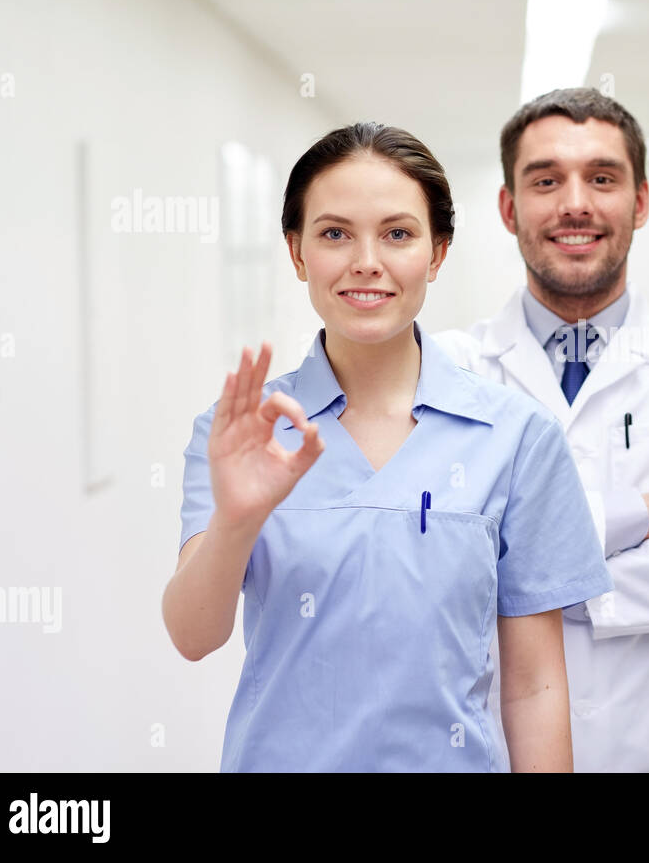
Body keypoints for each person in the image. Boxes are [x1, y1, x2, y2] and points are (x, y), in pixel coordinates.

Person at [162, 122, 612, 772]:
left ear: (437, 253)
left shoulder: (516, 438)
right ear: (296, 253)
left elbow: (535, 686)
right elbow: (193, 636)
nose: (365, 261)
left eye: (397, 234)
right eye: (334, 233)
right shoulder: (240, 434)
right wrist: (236, 519)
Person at [433, 88, 649, 772]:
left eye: (603, 178)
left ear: (642, 202)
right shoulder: (451, 371)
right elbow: (440, 563)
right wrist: (639, 515)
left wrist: (534, 578)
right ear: (509, 209)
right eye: (546, 181)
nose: (576, 203)